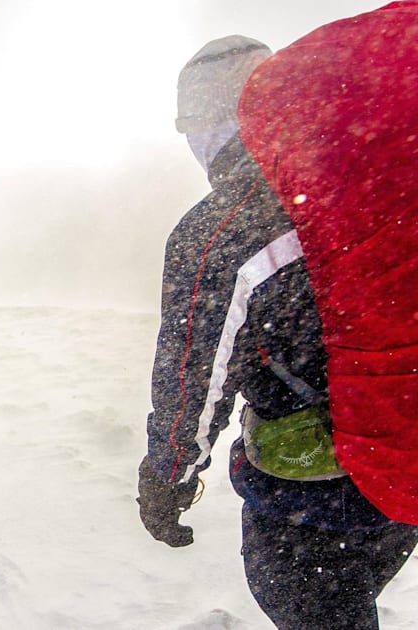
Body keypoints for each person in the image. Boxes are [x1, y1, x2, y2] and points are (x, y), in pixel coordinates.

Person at [136, 34, 418, 628]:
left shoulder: (222, 229)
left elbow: (193, 376)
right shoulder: (378, 180)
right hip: (401, 468)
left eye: (194, 124)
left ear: (214, 123)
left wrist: (167, 482)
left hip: (310, 502)